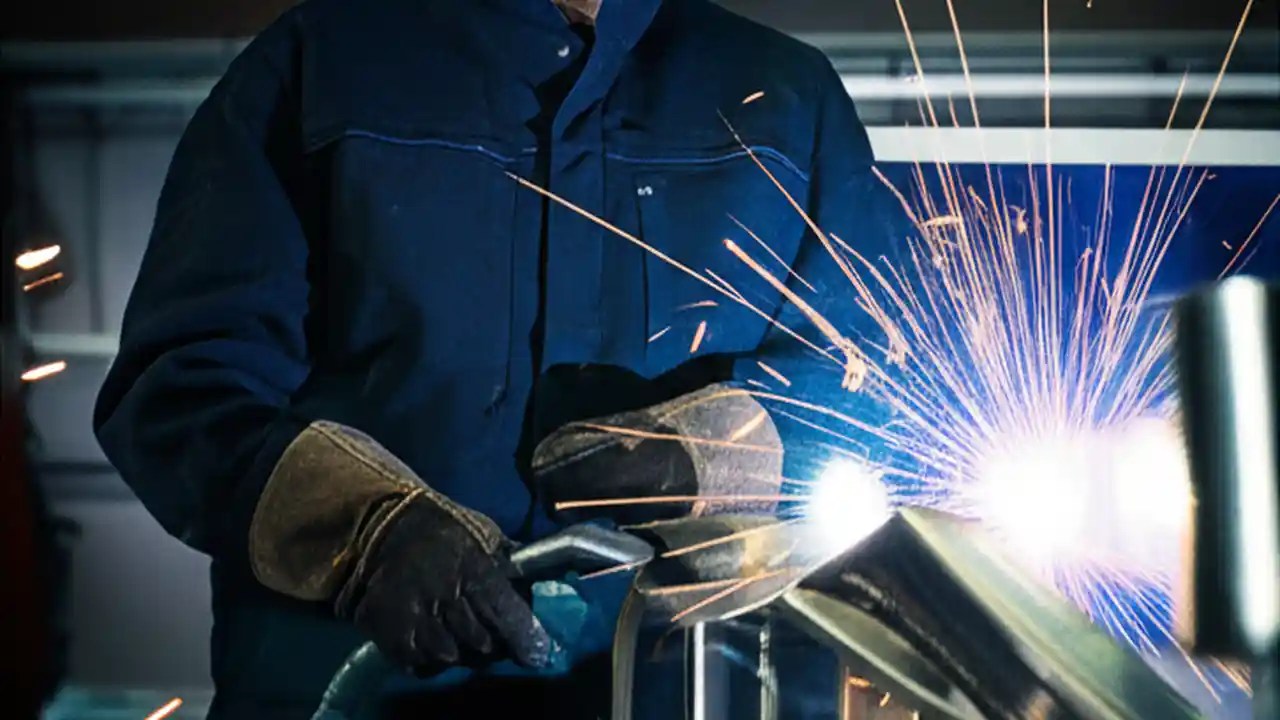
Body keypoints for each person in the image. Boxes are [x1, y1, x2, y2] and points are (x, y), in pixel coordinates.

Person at [94, 0, 893, 717]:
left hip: (680, 694)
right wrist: (365, 533)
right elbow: (178, 389)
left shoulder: (783, 95)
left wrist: (717, 457)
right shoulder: (322, 61)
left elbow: (873, 391)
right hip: (348, 694)